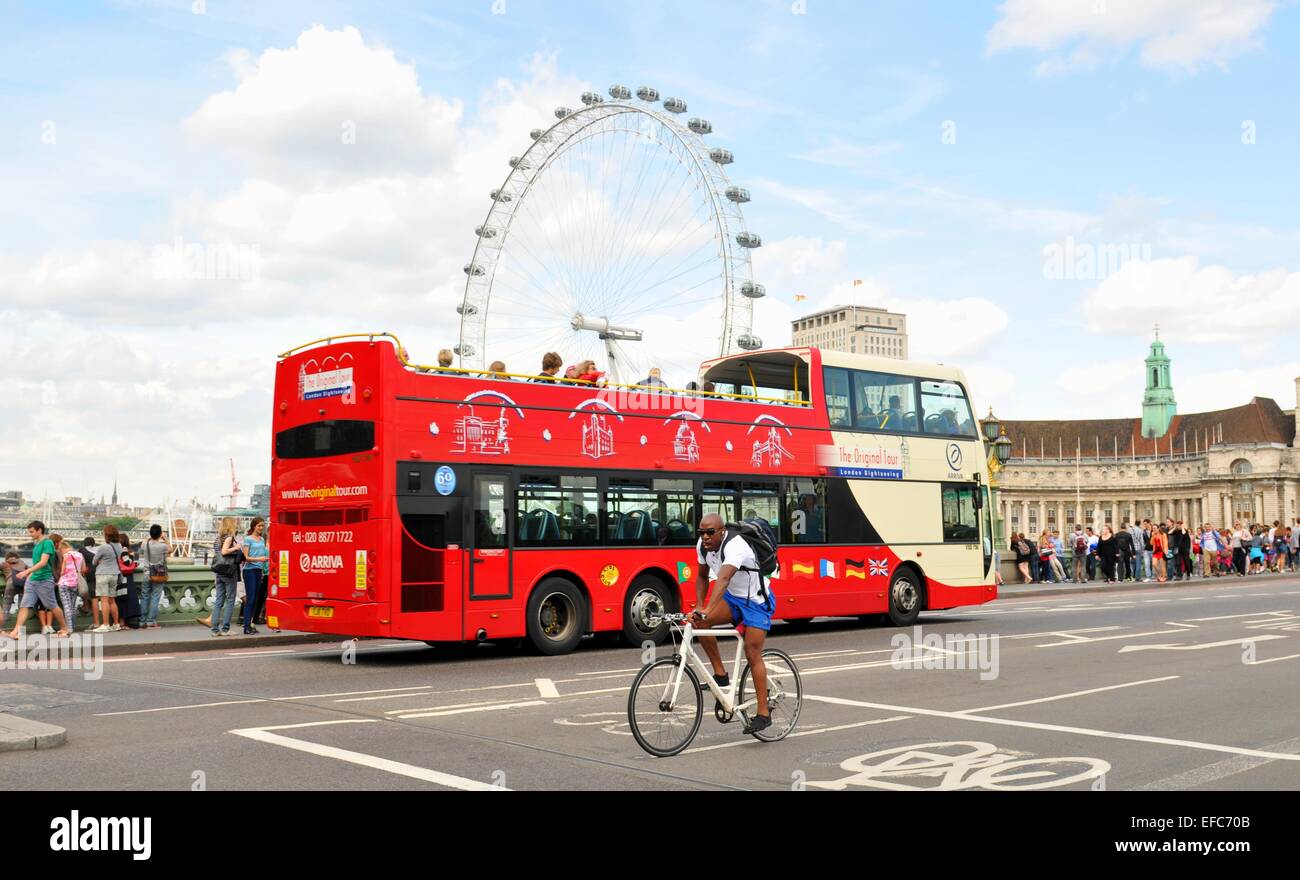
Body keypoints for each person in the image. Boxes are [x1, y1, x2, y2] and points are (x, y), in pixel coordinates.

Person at [691, 513, 773, 735]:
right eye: (701, 532)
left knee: (752, 652)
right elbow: (701, 577)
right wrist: (700, 608)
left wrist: (708, 609)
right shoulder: (702, 546)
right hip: (733, 600)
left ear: (722, 531)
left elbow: (724, 579)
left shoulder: (736, 545)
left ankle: (763, 714)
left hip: (755, 601)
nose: (705, 537)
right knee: (700, 625)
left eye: (710, 533)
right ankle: (721, 675)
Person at [4, 521, 71, 639]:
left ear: (39, 530)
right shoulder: (37, 544)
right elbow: (36, 563)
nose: (30, 534)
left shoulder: (48, 543)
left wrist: (26, 572)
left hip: (44, 580)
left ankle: (65, 629)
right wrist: (30, 575)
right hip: (33, 580)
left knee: (52, 605)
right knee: (24, 606)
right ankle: (16, 631)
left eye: (32, 531)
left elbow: (43, 562)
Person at [202, 517, 243, 636]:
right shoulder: (229, 538)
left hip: (218, 571)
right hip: (229, 572)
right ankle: (226, 628)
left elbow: (218, 554)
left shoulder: (217, 539)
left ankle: (214, 629)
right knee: (230, 599)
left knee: (219, 600)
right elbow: (225, 552)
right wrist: (236, 547)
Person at [90, 525, 124, 632]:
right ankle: (116, 623)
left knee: (104, 600)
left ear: (106, 535)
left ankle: (105, 625)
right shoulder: (119, 546)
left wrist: (101, 561)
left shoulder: (103, 547)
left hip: (103, 574)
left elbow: (94, 561)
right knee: (112, 600)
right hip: (115, 574)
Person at [240, 517, 269, 635]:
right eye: (259, 526)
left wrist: (262, 570)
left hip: (258, 571)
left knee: (256, 600)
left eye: (263, 526)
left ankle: (251, 624)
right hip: (249, 571)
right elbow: (246, 557)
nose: (261, 528)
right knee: (250, 599)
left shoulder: (262, 539)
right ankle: (246, 627)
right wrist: (260, 559)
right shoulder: (248, 539)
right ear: (254, 526)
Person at [139, 524, 170, 629]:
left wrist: (149, 537)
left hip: (146, 574)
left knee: (144, 597)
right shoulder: (162, 546)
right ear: (160, 534)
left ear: (150, 533)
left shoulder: (145, 545)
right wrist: (165, 538)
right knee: (155, 597)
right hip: (158, 574)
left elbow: (143, 543)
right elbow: (171, 549)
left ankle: (142, 621)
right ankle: (151, 621)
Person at [55, 539, 84, 633]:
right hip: (76, 583)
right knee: (72, 606)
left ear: (63, 548)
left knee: (66, 606)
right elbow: (83, 569)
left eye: (60, 550)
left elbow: (63, 571)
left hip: (64, 584)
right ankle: (73, 626)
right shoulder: (80, 555)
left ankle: (69, 628)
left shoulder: (66, 556)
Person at [117, 534, 141, 627]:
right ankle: (125, 622)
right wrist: (131, 556)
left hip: (120, 577)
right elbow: (127, 562)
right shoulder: (124, 550)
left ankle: (121, 622)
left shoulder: (117, 550)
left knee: (121, 599)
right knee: (126, 599)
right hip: (126, 578)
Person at [2, 551, 26, 632]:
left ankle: (3, 628)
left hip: (10, 585)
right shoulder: (22, 563)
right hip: (22, 585)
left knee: (6, 606)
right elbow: (30, 570)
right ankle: (21, 630)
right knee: (22, 608)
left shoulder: (4, 564)